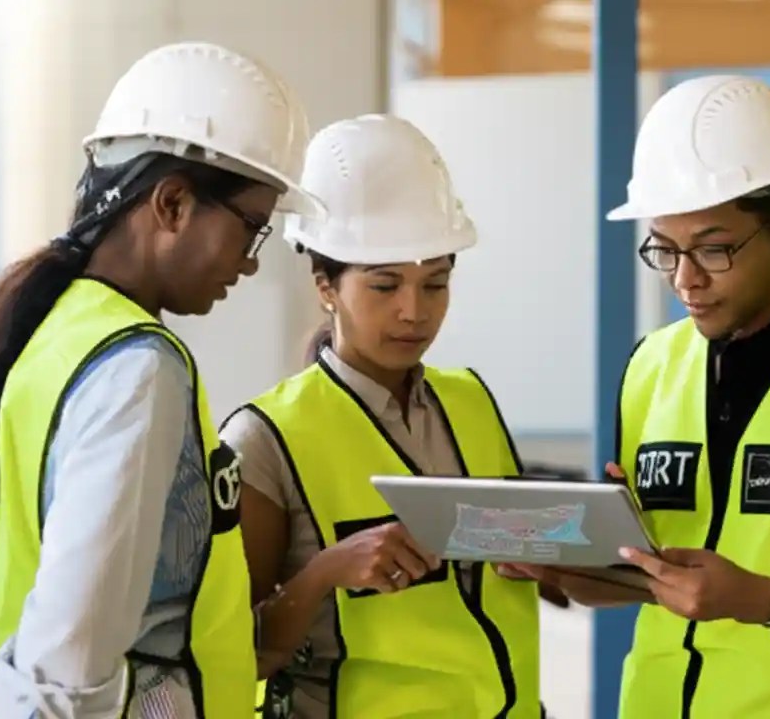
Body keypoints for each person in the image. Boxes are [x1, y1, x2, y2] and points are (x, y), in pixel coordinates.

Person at [0, 41, 320, 717]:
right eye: (251, 229)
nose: (251, 263)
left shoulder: (57, 327)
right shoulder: (139, 369)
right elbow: (72, 658)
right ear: (171, 204)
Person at [509, 75, 770, 718]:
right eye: (664, 251)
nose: (686, 280)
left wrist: (758, 597)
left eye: (714, 250)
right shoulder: (650, 367)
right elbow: (652, 583)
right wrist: (570, 570)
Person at [220, 115, 541, 718]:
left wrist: (578, 540)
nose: (413, 312)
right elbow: (232, 652)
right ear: (325, 285)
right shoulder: (265, 438)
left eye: (436, 284)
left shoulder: (469, 400)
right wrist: (323, 573)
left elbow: (521, 575)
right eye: (385, 286)